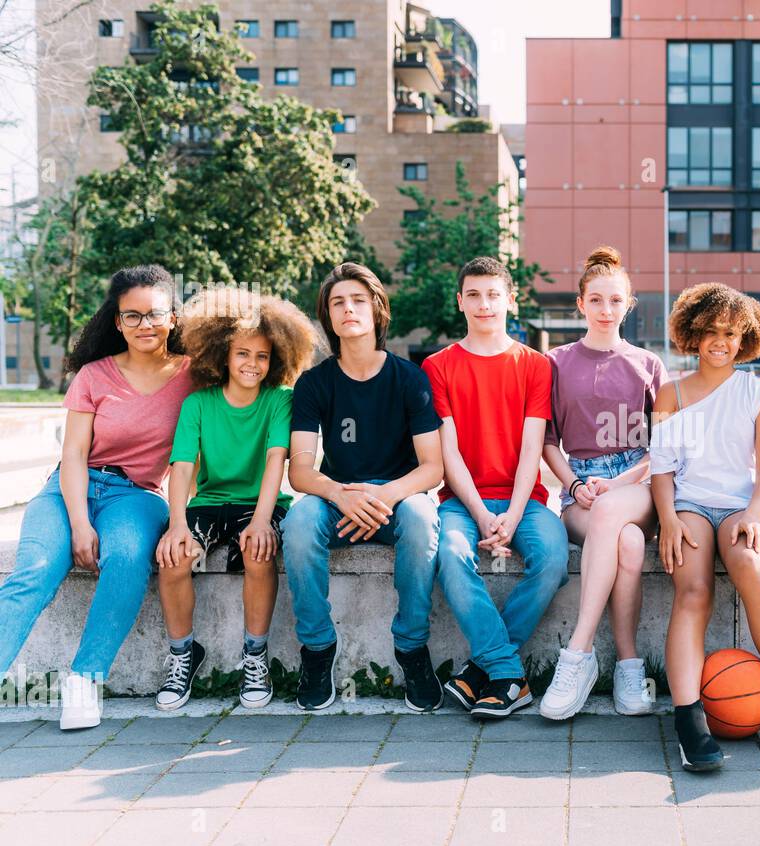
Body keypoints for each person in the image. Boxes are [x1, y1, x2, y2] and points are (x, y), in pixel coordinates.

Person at [0, 264, 193, 730]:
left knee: (127, 557)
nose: (144, 325)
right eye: (132, 316)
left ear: (173, 318)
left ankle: (84, 682)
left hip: (138, 495)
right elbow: (73, 455)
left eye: (154, 314)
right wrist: (81, 524)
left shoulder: (194, 377)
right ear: (117, 322)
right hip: (71, 486)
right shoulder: (93, 375)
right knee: (37, 569)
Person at [651, 283, 760, 771]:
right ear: (692, 334)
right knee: (692, 591)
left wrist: (754, 513)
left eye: (729, 332)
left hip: (739, 506)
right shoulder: (673, 393)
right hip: (688, 505)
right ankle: (688, 719)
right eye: (708, 332)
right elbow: (662, 470)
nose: (718, 341)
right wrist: (666, 517)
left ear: (745, 337)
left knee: (751, 563)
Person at [283, 262, 444, 713]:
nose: (348, 309)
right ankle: (317, 651)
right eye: (337, 303)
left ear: (377, 309)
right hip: (339, 497)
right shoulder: (314, 383)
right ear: (328, 318)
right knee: (298, 522)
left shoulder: (410, 378)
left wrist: (383, 496)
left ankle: (411, 649)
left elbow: (432, 468)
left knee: (420, 517)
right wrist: (339, 495)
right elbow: (300, 471)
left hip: (397, 499)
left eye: (357, 300)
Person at [153, 288, 318, 711]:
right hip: (208, 502)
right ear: (223, 355)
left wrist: (262, 522)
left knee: (257, 551)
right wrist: (176, 525)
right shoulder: (198, 404)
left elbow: (275, 462)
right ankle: (182, 654)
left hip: (260, 503)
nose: (252, 364)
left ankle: (255, 656)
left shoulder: (280, 400)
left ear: (276, 358)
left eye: (262, 356)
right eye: (243, 354)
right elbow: (183, 468)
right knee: (173, 557)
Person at [425, 256, 570, 719]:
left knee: (552, 557)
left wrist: (511, 510)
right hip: (461, 500)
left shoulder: (535, 365)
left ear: (511, 299)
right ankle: (508, 674)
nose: (484, 304)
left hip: (524, 500)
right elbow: (450, 455)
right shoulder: (438, 365)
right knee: (449, 554)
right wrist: (483, 513)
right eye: (473, 295)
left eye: (493, 294)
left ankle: (480, 669)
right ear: (460, 302)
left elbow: (533, 451)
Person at [538, 246, 667, 720]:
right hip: (581, 480)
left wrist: (624, 481)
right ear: (581, 304)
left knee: (619, 516)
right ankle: (629, 665)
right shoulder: (554, 362)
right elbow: (547, 441)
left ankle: (578, 653)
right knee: (628, 544)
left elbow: (663, 446)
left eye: (616, 301)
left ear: (628, 305)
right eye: (596, 300)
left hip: (636, 480)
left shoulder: (648, 364)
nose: (606, 310)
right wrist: (574, 486)